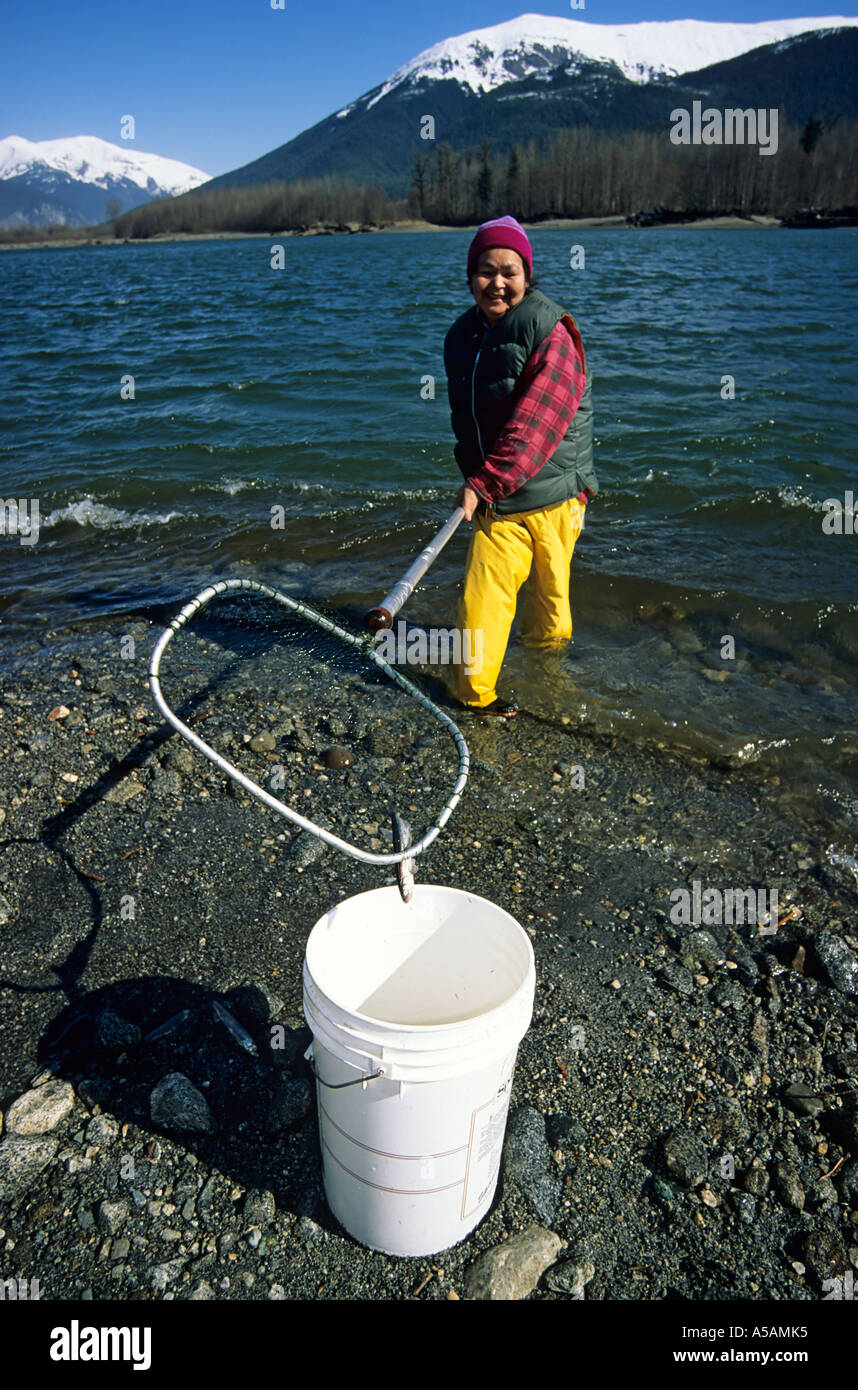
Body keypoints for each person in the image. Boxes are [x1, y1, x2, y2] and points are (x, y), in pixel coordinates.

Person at [444, 215, 597, 717]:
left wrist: (482, 482)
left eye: (510, 271)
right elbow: (467, 419)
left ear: (527, 277)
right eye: (486, 270)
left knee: (550, 605)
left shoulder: (551, 332)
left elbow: (539, 424)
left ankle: (547, 683)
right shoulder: (461, 336)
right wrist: (477, 479)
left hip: (554, 493)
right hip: (496, 496)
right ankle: (476, 696)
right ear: (470, 276)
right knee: (483, 596)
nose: (498, 282)